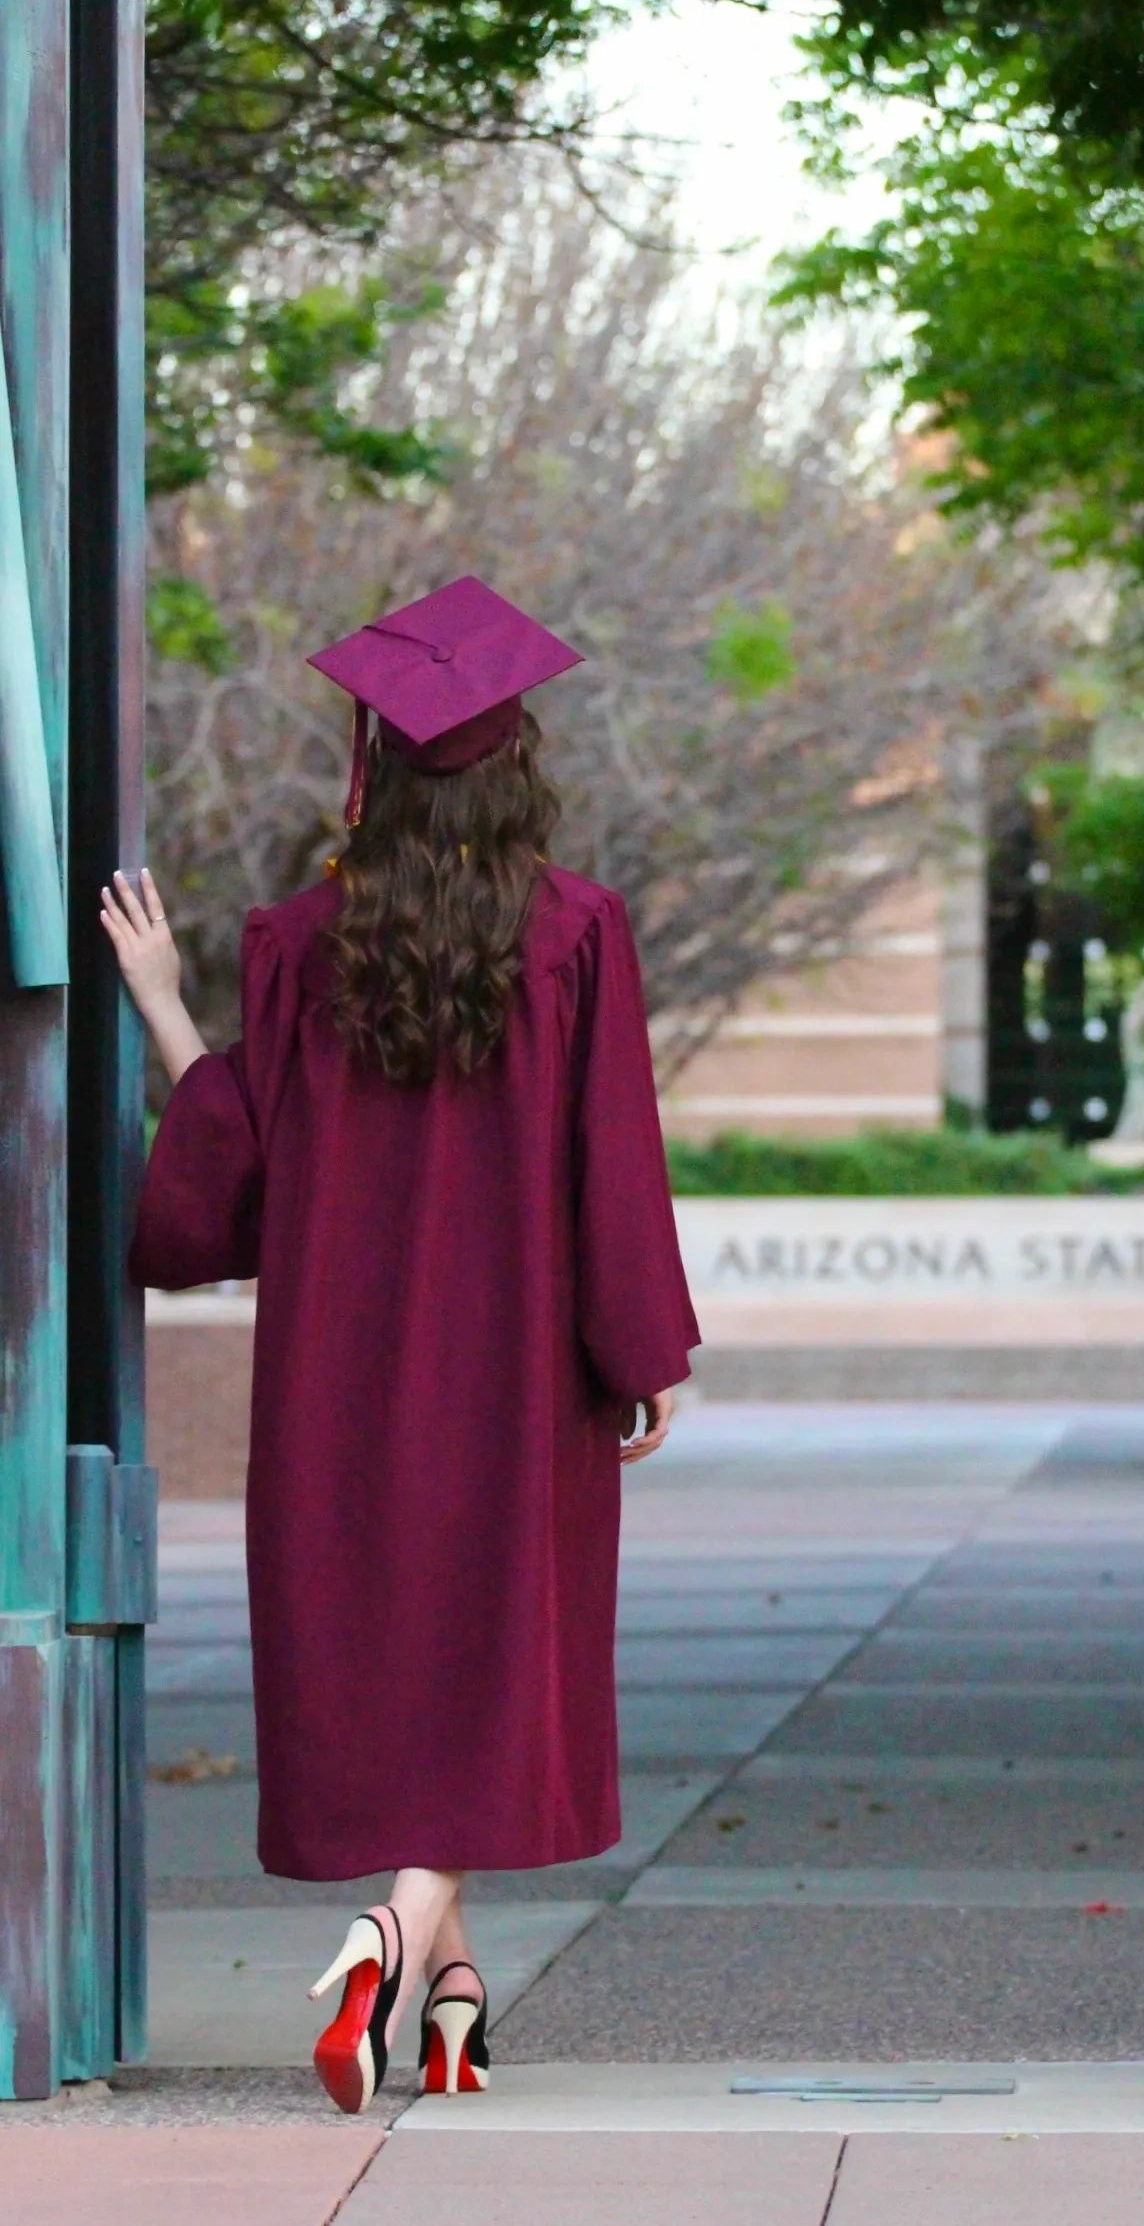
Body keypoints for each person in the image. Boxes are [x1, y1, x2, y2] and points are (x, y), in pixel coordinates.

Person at [103, 577, 699, 2114]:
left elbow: (225, 1188)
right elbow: (611, 1166)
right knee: (494, 1667)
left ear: (372, 765)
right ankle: (396, 1919)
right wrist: (644, 1348)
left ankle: (449, 1995)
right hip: (517, 1388)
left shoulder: (302, 945)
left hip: (342, 1386)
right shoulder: (578, 935)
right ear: (516, 766)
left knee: (406, 1671)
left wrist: (170, 1011)